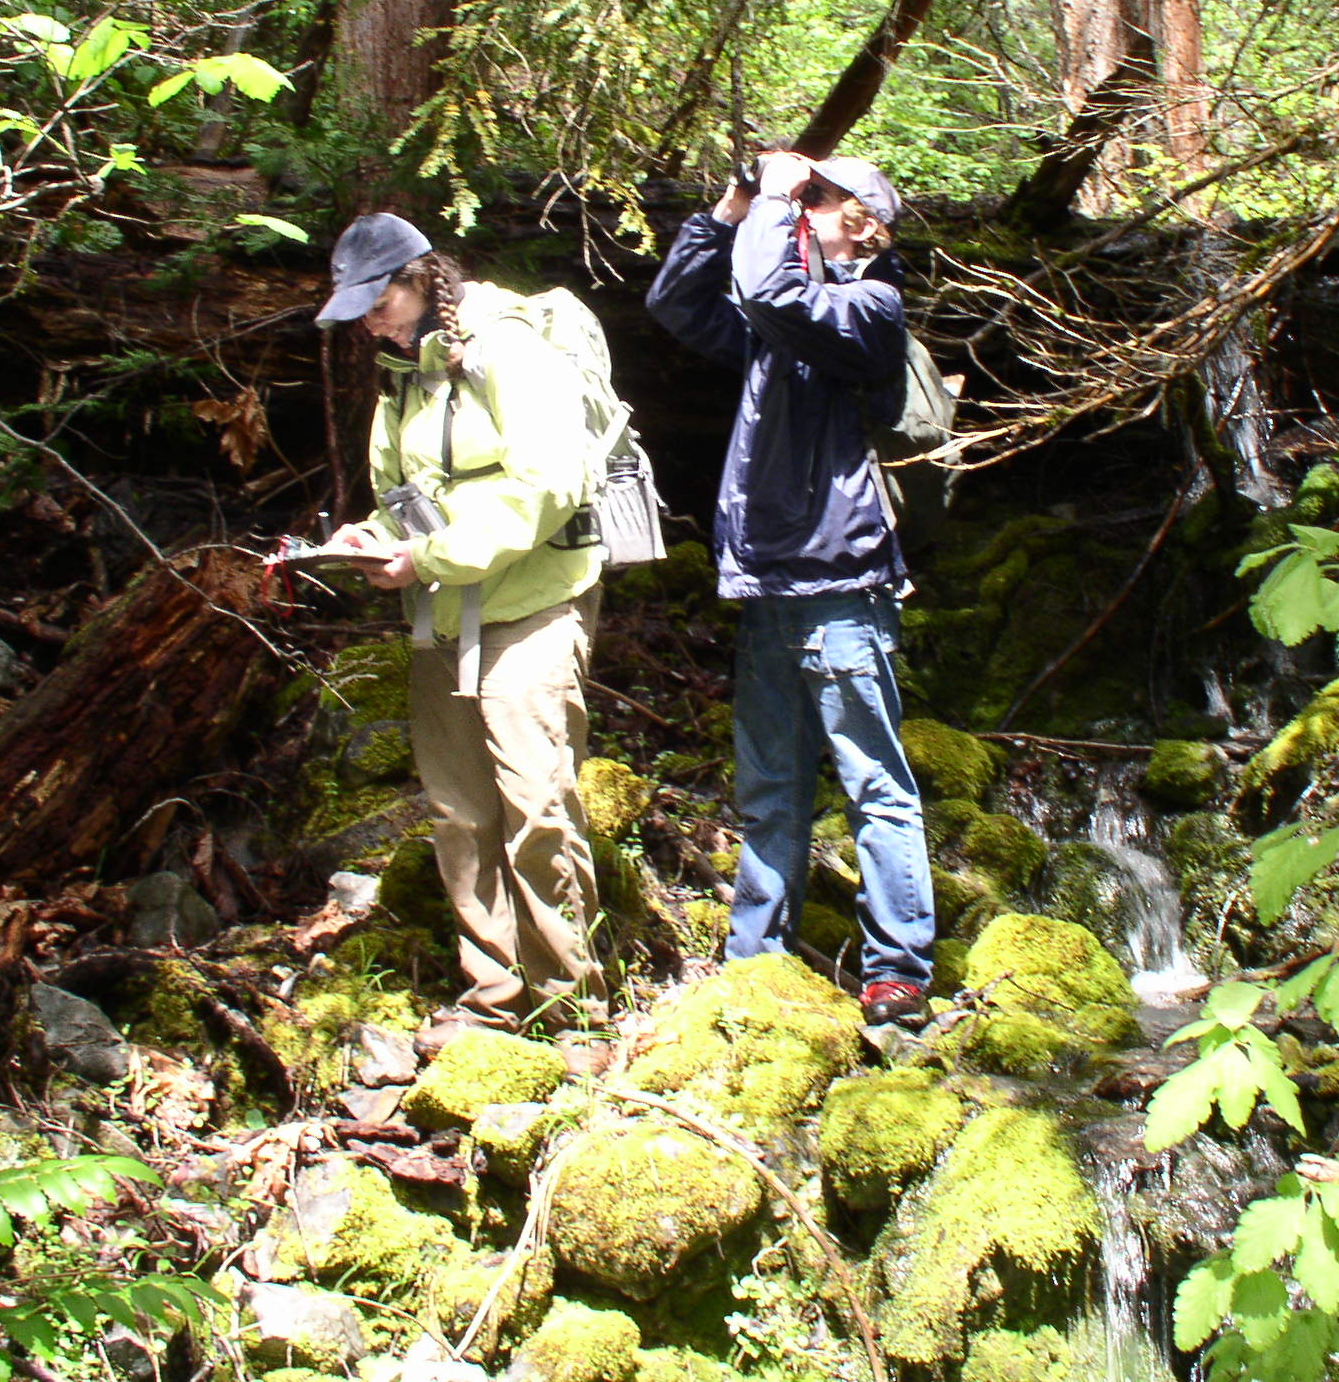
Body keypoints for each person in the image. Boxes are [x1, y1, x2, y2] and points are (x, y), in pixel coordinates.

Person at [646, 152, 936, 1027]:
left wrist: (775, 202)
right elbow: (678, 304)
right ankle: (754, 957)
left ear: (865, 225)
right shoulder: (783, 305)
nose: (801, 211)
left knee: (873, 783)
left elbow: (774, 297)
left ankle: (899, 969)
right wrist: (730, 211)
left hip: (843, 578)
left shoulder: (868, 309)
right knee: (769, 788)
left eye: (818, 201)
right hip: (772, 581)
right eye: (802, 199)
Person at [316, 212, 608, 1042]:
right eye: (360, 308)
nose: (368, 320)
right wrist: (367, 542)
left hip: (533, 604)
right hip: (442, 613)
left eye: (377, 301)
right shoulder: (401, 374)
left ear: (420, 279)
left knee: (534, 800)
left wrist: (434, 557)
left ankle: (571, 1006)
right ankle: (493, 994)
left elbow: (549, 483)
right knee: (458, 810)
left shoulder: (509, 349)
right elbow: (398, 498)